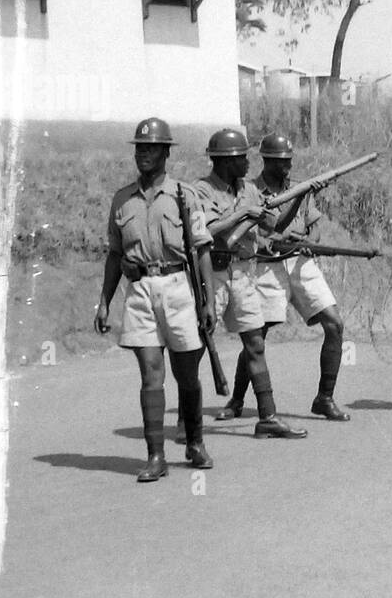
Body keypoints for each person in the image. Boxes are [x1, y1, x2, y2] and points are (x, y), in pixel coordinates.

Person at [95, 117, 217, 481]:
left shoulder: (185, 195)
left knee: (187, 374)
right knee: (150, 374)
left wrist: (209, 301)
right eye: (140, 148)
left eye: (151, 149)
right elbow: (115, 254)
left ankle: (194, 442)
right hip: (140, 290)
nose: (143, 155)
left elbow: (202, 249)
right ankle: (155, 455)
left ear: (166, 153)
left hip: (178, 287)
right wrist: (104, 301)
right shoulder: (122, 200)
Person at [219, 133, 348, 422]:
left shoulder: (302, 188)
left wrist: (310, 242)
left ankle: (325, 398)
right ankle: (237, 400)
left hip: (301, 262)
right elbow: (268, 229)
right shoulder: (251, 191)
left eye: (289, 160)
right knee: (256, 336)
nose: (287, 166)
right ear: (266, 161)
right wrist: (283, 228)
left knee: (335, 324)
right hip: (268, 266)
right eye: (281, 161)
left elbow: (314, 226)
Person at [194, 128, 306, 439]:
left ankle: (268, 417)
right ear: (225, 161)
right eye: (241, 157)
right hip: (213, 273)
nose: (247, 163)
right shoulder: (201, 191)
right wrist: (243, 213)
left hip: (244, 272)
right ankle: (187, 421)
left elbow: (274, 227)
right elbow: (208, 231)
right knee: (197, 347)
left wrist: (298, 197)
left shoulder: (249, 190)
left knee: (255, 343)